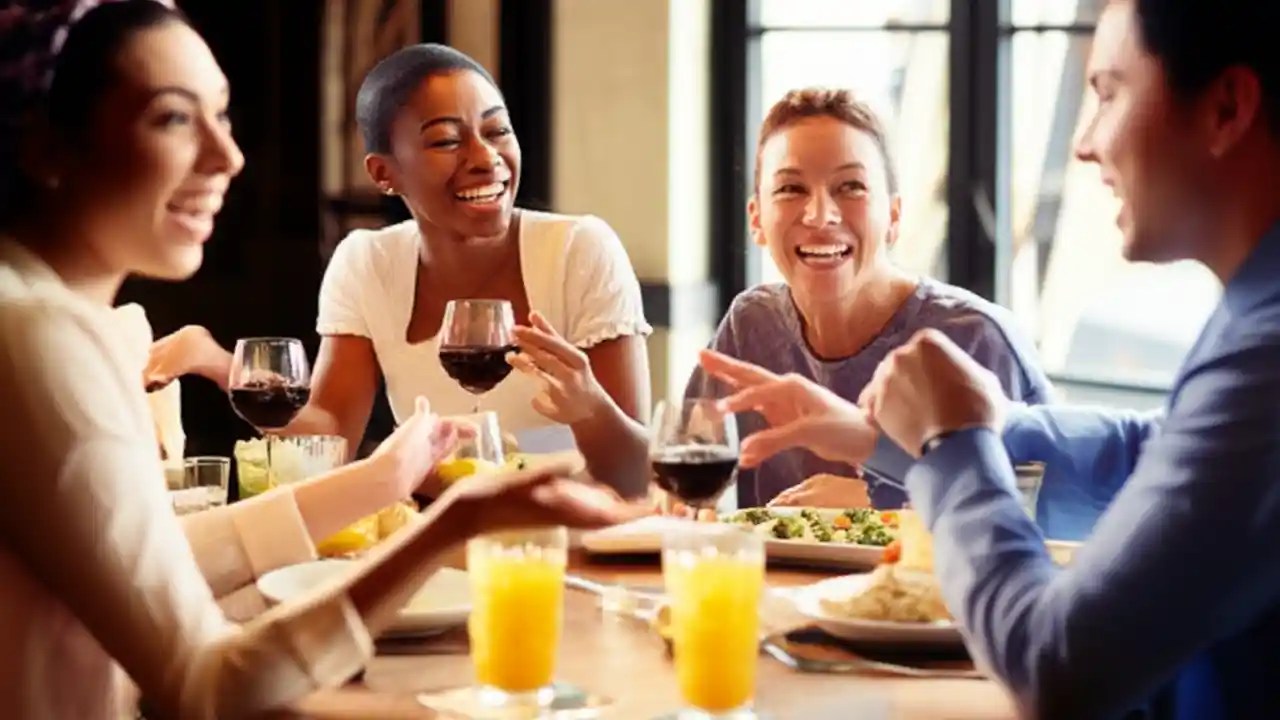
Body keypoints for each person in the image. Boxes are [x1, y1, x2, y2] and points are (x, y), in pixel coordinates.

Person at [0, 3, 638, 718]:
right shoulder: (37, 338)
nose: (228, 157)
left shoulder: (42, 317)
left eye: (222, 116)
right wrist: (446, 530)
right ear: (44, 144)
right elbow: (210, 686)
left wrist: (382, 478)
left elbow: (166, 556)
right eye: (175, 119)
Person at [700, 0, 1280, 716]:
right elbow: (1154, 453)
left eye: (1107, 93)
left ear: (1225, 108)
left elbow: (1056, 670)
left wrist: (952, 447)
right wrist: (895, 437)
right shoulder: (1251, 320)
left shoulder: (1266, 357)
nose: (1085, 144)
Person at [145, 43, 654, 496]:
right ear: (384, 173)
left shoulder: (578, 250)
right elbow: (330, 439)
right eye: (446, 141)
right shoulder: (367, 262)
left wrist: (590, 408)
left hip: (571, 544)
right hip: (432, 537)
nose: (485, 158)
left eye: (498, 130)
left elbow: (636, 475)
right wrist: (216, 362)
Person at [511, 88, 1050, 511]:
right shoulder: (753, 324)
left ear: (894, 216)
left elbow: (1045, 507)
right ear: (757, 220)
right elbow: (670, 483)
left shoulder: (974, 338)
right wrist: (591, 409)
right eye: (791, 189)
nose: (820, 216)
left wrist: (885, 501)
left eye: (851, 188)